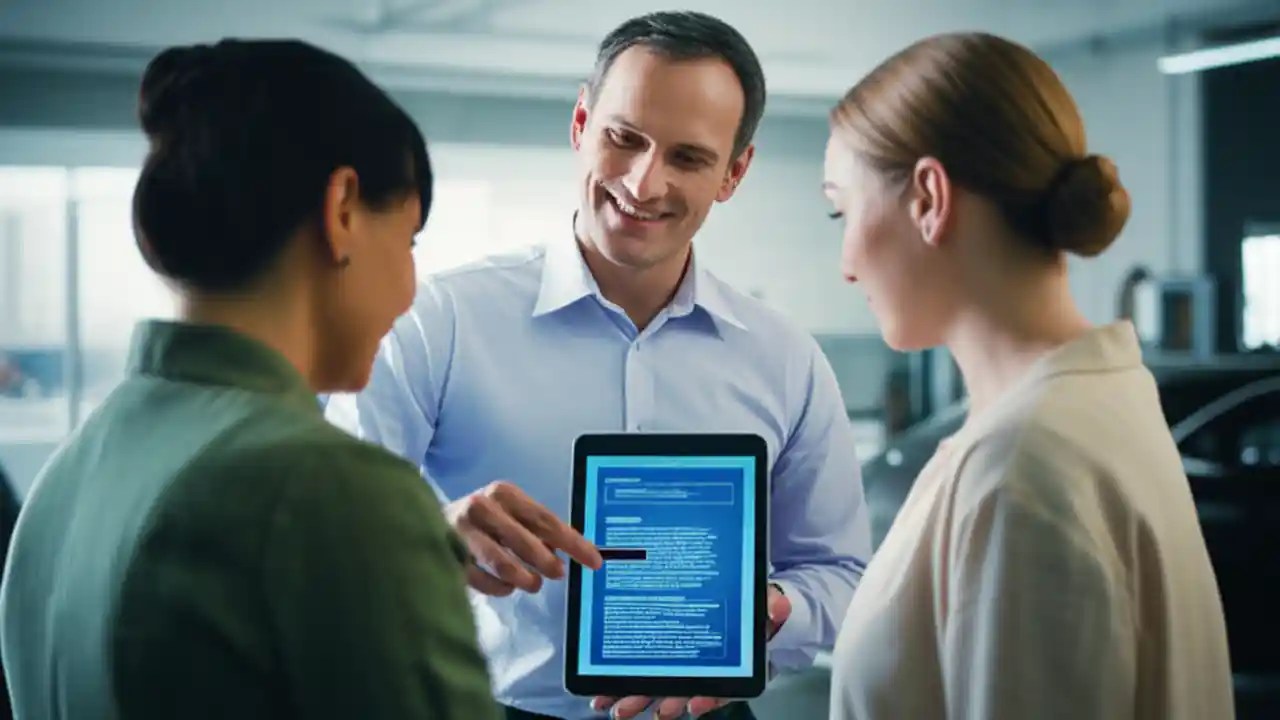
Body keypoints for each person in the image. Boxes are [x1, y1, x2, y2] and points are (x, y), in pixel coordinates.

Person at [325, 10, 871, 720]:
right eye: (624, 138)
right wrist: (430, 536)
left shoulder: (786, 359)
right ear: (581, 123)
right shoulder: (440, 321)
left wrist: (766, 613)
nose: (644, 184)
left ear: (734, 172)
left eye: (688, 157)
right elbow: (325, 535)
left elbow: (840, 574)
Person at [0, 39, 498, 720]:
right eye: (408, 240)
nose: (410, 290)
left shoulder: (76, 469)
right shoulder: (328, 487)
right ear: (343, 208)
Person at [821, 32, 1234, 719]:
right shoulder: (1105, 399)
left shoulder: (1022, 465)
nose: (845, 263)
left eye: (842, 208)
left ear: (928, 197)